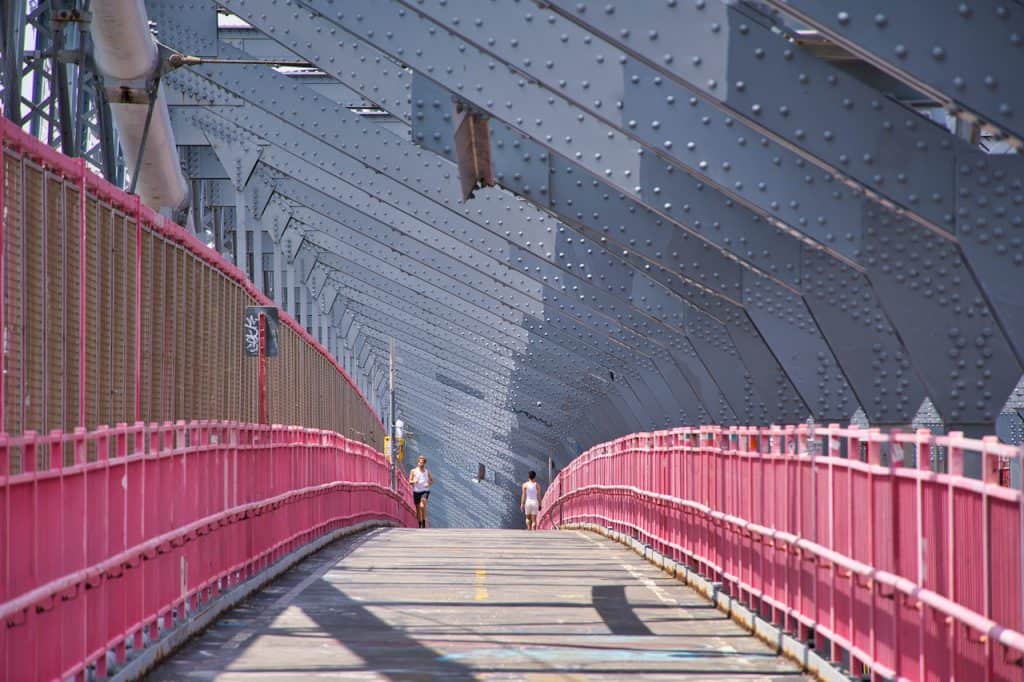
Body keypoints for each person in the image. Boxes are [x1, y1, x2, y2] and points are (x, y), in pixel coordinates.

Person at [408, 455, 433, 528]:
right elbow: (410, 481)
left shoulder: (427, 472)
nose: (420, 464)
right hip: (416, 491)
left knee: (422, 505)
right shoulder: (413, 471)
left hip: (425, 491)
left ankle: (424, 522)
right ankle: (420, 523)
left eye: (422, 463)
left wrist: (428, 484)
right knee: (418, 510)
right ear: (418, 462)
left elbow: (432, 480)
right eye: (419, 462)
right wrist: (414, 481)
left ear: (424, 463)